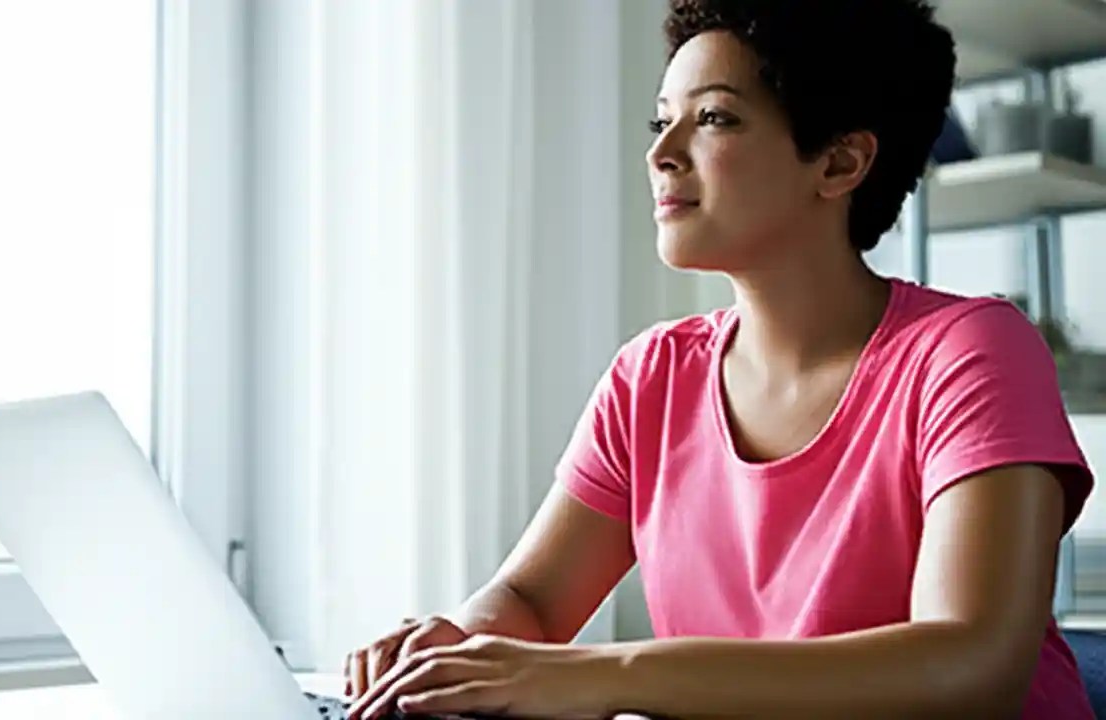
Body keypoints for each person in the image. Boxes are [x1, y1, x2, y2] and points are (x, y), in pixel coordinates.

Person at [345, 0, 1097, 717]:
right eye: (661, 121)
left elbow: (969, 668)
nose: (661, 154)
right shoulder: (650, 378)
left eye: (712, 119)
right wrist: (459, 645)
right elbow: (534, 604)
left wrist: (609, 677)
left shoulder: (970, 352)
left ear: (838, 164)